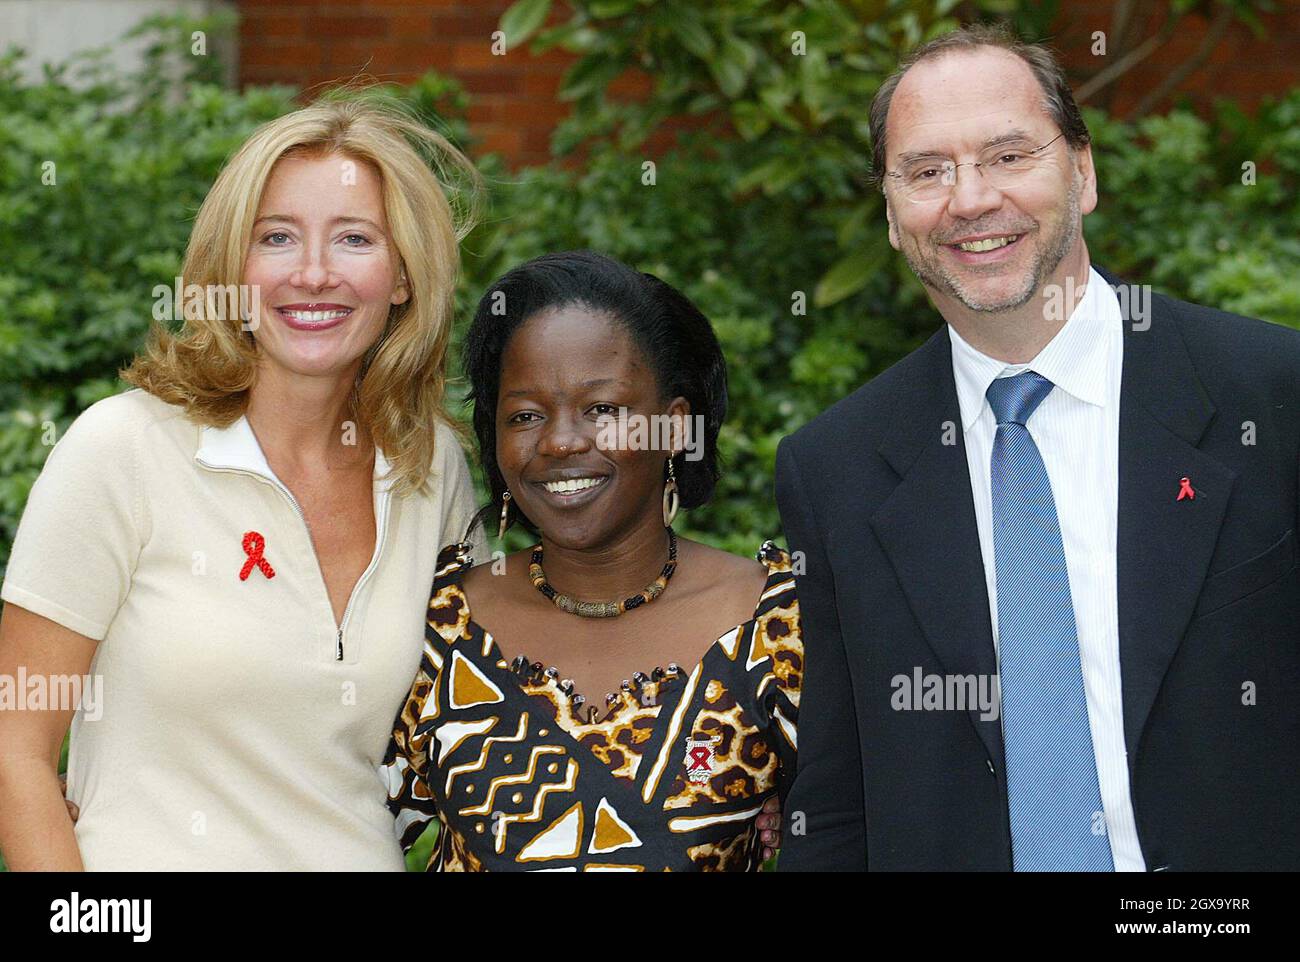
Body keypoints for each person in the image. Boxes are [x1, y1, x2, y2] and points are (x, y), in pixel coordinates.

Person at [776, 24, 1300, 871]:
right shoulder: (835, 469)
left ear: (1084, 173)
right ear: (890, 212)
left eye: (1009, 155)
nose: (971, 199)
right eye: (927, 171)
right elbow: (838, 804)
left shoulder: (1271, 394)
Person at [0, 97, 482, 870]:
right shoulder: (123, 449)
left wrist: (738, 778)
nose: (314, 273)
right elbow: (13, 747)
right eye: (277, 238)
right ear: (233, 269)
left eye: (355, 239)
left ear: (402, 277)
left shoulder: (430, 472)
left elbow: (488, 725)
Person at [382, 251, 797, 871]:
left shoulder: (780, 628)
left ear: (675, 428)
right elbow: (322, 821)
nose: (560, 441)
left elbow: (875, 820)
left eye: (602, 410)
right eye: (525, 416)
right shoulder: (438, 630)